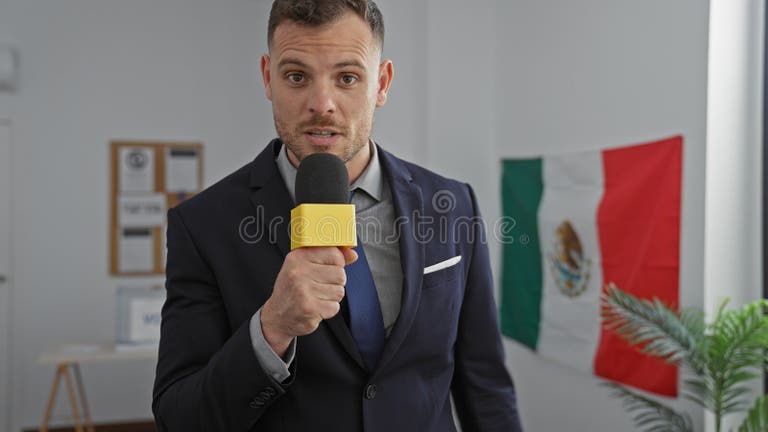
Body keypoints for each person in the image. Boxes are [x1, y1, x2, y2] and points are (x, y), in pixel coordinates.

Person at [152, 0, 523, 430]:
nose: (321, 103)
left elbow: (486, 385)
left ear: (381, 84)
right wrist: (272, 328)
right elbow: (179, 417)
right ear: (267, 78)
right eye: (296, 76)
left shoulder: (454, 204)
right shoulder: (202, 226)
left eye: (347, 77)